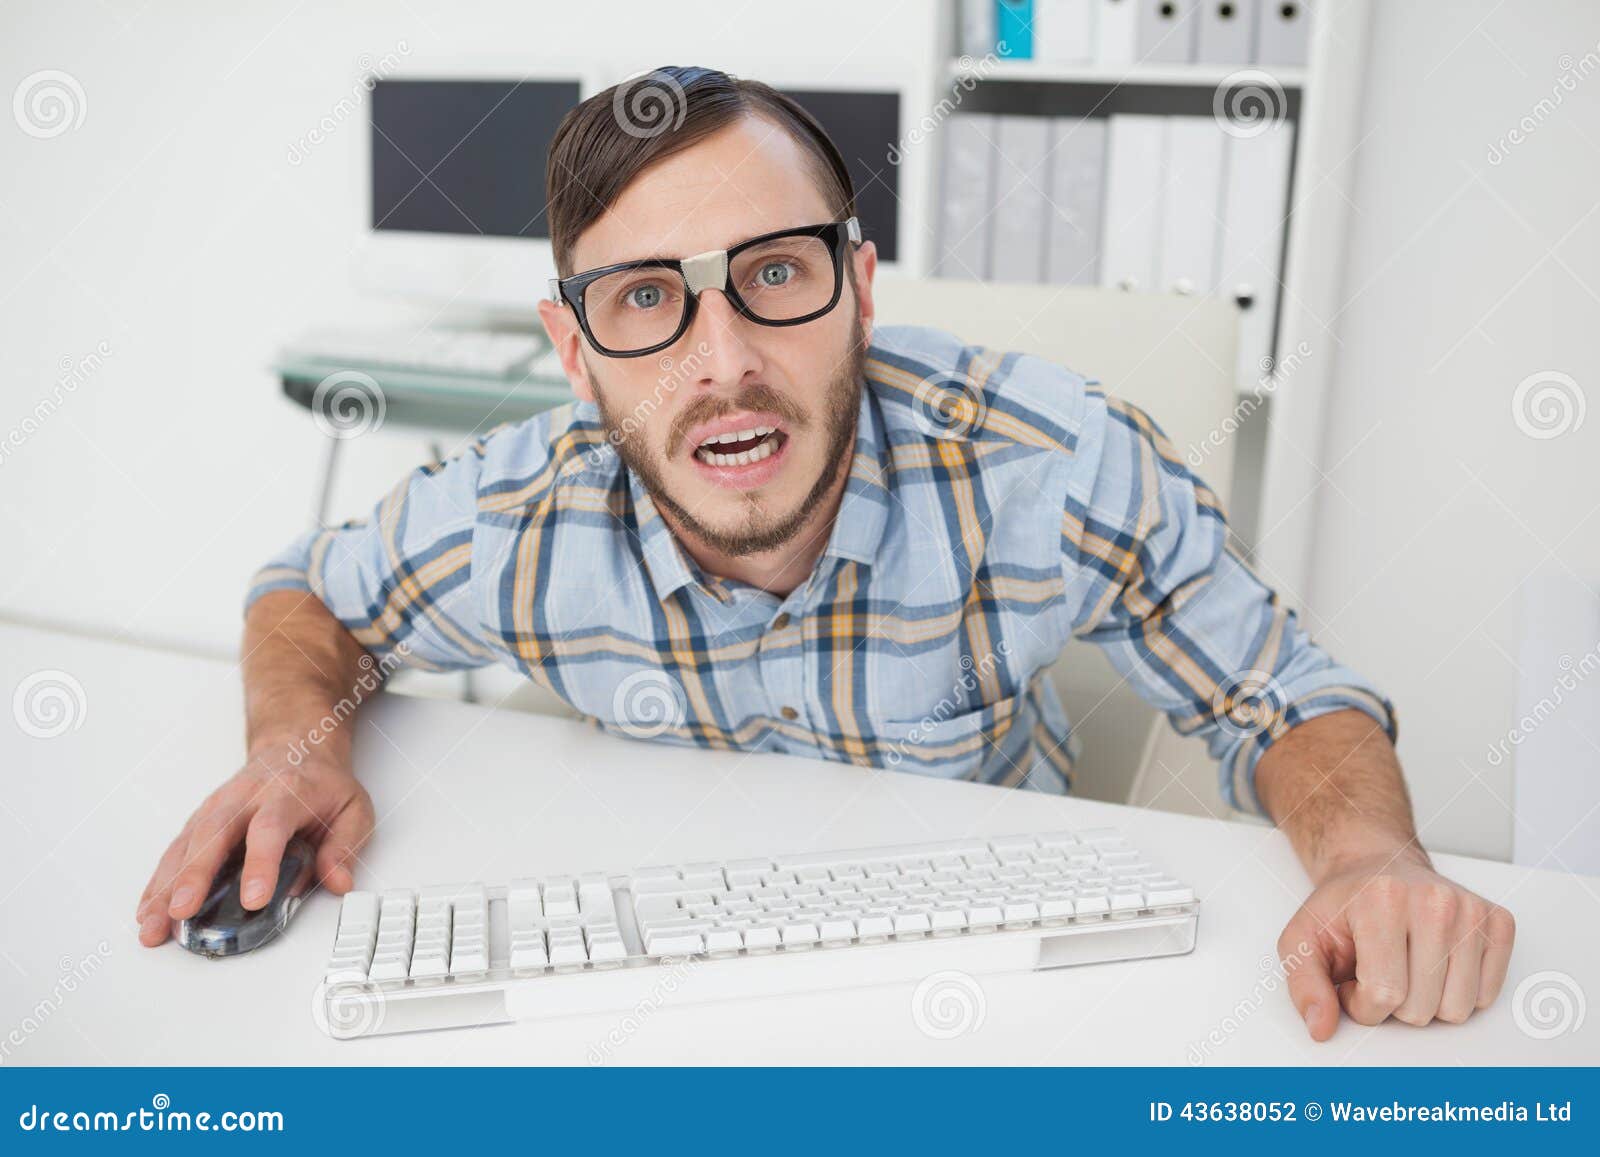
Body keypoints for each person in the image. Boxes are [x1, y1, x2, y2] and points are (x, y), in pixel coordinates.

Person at [136, 66, 1514, 1038]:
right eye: (645, 302)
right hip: (650, 987)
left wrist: (1368, 856)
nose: (723, 363)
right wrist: (288, 751)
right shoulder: (523, 516)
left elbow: (1281, 697)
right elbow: (308, 598)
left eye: (776, 275)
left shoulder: (1051, 462)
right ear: (573, 355)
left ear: (857, 289)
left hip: (981, 991)